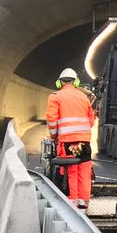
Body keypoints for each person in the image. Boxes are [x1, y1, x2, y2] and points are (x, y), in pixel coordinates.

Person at [46, 68, 95, 208]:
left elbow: (52, 120)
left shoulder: (55, 97)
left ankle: (72, 203)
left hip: (68, 142)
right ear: (76, 82)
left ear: (59, 82)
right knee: (84, 171)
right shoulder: (83, 97)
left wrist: (54, 135)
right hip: (84, 142)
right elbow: (91, 120)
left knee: (71, 171)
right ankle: (84, 203)